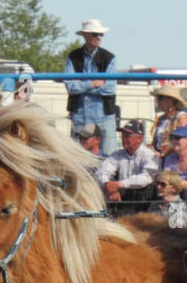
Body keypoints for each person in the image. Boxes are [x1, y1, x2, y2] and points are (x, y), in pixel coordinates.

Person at [63, 20, 117, 155]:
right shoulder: (73, 57)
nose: (99, 37)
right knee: (77, 159)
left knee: (108, 158)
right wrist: (92, 83)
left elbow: (110, 88)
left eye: (100, 35)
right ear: (85, 36)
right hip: (81, 117)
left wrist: (81, 85)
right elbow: (70, 87)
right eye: (95, 34)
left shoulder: (109, 57)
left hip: (103, 118)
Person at [97, 120, 159, 210]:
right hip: (123, 197)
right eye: (123, 135)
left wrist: (119, 184)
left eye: (128, 136)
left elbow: (146, 177)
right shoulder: (118, 154)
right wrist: (108, 187)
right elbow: (102, 171)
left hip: (144, 201)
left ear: (140, 139)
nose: (123, 139)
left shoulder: (149, 155)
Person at [151, 86, 187, 156]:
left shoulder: (181, 117)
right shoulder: (160, 119)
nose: (159, 102)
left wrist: (163, 154)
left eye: (161, 98)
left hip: (176, 158)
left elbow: (184, 140)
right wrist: (152, 149)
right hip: (160, 159)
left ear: (170, 101)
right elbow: (155, 141)